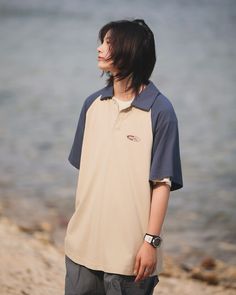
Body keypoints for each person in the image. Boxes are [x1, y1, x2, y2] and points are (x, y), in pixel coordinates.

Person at [64, 19, 183, 295]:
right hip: (82, 248)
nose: (99, 48)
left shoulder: (161, 111)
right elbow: (88, 173)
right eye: (102, 41)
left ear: (129, 52)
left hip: (130, 257)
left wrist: (150, 242)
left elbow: (162, 184)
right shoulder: (92, 105)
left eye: (108, 43)